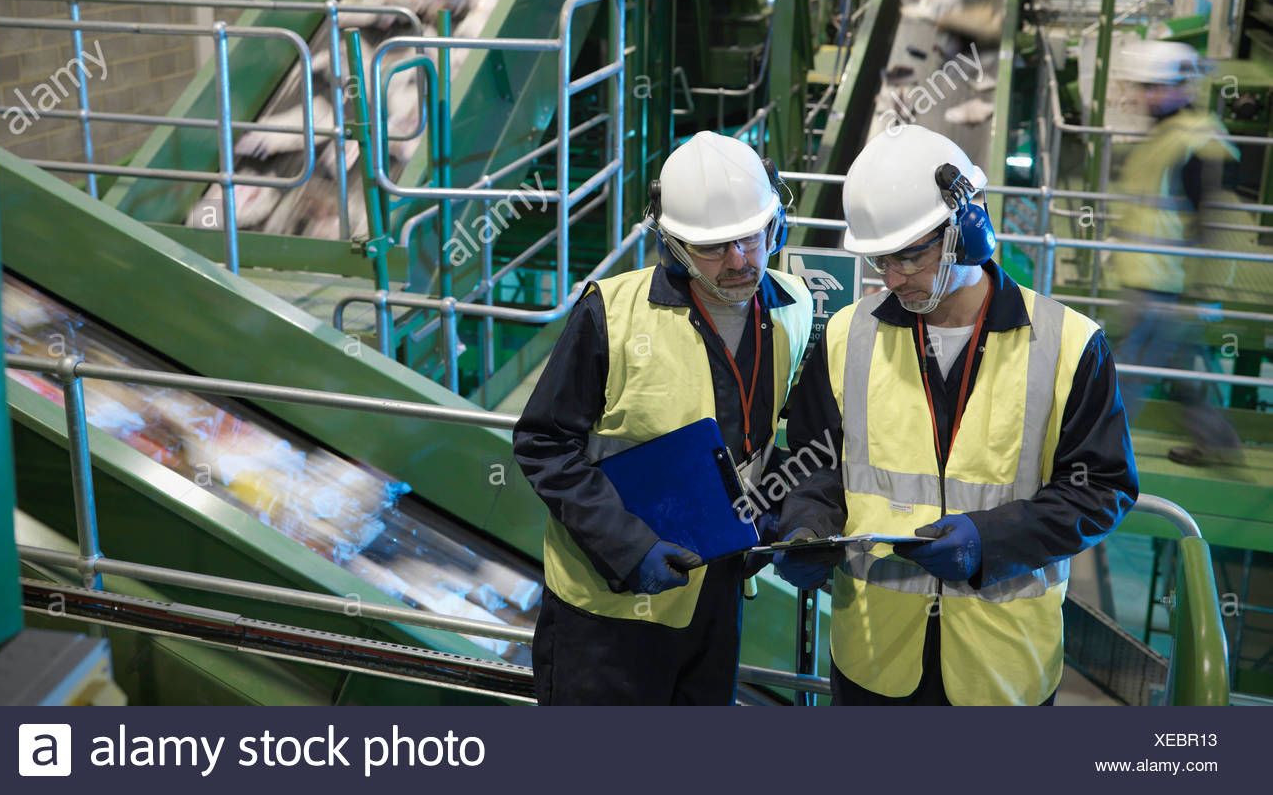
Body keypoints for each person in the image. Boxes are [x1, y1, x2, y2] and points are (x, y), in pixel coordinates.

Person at [773, 125, 1138, 706]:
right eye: (880, 260)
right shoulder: (847, 336)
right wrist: (805, 527)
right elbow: (813, 469)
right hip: (874, 659)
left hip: (1001, 669)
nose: (891, 278)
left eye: (909, 256)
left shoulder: (1069, 344)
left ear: (968, 227)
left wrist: (991, 541)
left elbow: (1102, 489)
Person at [513, 131, 813, 705]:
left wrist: (787, 522)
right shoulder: (611, 313)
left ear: (773, 223)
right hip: (607, 614)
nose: (739, 263)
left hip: (716, 594)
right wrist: (629, 548)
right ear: (671, 242)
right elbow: (543, 443)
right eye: (712, 248)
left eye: (750, 240)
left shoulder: (795, 309)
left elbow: (795, 439)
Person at [1110, 40, 1242, 466]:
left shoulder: (1194, 143)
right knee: (1180, 373)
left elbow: (1215, 222)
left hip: (1164, 285)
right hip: (1149, 278)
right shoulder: (1167, 136)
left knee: (1126, 375)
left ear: (1184, 87)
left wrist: (1206, 291)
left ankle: (1094, 462)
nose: (1147, 97)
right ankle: (1220, 446)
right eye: (1145, 86)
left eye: (1157, 87)